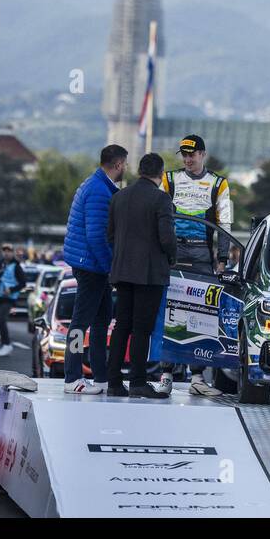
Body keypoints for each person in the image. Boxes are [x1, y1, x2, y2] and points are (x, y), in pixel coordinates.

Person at [160, 134, 233, 397]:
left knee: (200, 314)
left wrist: (222, 259)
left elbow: (225, 224)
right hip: (172, 251)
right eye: (184, 154)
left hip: (201, 253)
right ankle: (166, 373)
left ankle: (198, 377)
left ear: (203, 154)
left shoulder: (219, 183)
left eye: (192, 154)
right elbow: (157, 215)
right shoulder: (169, 179)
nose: (188, 159)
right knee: (169, 311)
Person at [106, 152, 177, 398]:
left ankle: (114, 382)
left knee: (121, 327)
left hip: (122, 271)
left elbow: (111, 236)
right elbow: (167, 238)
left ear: (139, 171)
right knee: (142, 329)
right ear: (161, 174)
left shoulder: (119, 197)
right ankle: (137, 381)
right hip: (149, 274)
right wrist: (171, 257)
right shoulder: (161, 199)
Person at [60, 144, 128, 395]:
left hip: (90, 264)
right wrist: (111, 268)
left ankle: (100, 377)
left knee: (101, 323)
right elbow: (97, 237)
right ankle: (73, 377)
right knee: (80, 324)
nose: (125, 169)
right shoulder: (100, 191)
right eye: (125, 165)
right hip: (92, 267)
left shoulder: (94, 184)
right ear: (119, 164)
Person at [0, 243, 27, 357]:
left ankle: (7, 344)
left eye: (8, 251)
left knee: (0, 320)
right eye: (4, 250)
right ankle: (3, 344)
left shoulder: (16, 266)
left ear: (12, 252)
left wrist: (11, 290)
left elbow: (23, 283)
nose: (6, 253)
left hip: (8, 299)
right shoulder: (0, 264)